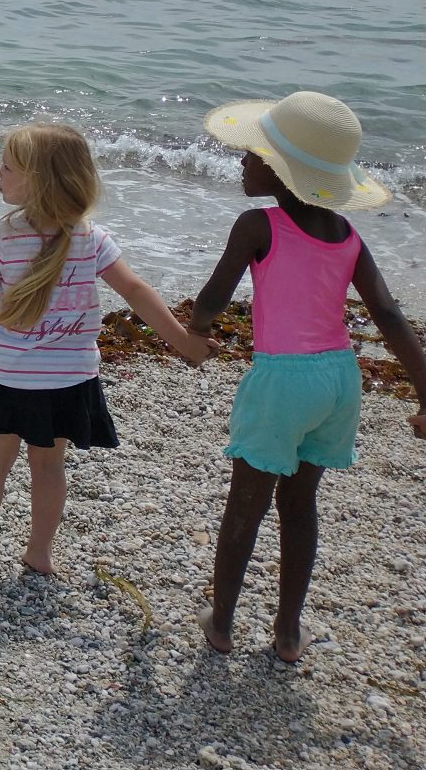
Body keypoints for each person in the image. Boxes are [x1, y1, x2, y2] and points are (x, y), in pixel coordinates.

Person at [191, 91, 426, 663]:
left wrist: (196, 329)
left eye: (254, 153)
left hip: (284, 381)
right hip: (340, 380)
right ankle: (288, 631)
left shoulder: (257, 225)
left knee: (246, 505)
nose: (243, 160)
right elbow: (388, 314)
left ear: (280, 168)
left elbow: (214, 297)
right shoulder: (346, 234)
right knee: (299, 506)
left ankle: (222, 623)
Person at [0, 124, 212, 577]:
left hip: (10, 375)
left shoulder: (5, 235)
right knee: (49, 466)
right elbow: (135, 289)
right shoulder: (91, 237)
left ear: (37, 180)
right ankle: (40, 553)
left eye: (7, 168)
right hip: (70, 380)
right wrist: (183, 340)